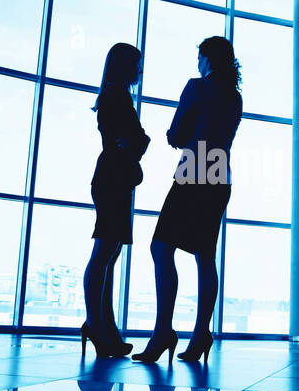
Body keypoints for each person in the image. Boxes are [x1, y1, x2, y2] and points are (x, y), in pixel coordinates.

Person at [133, 36, 242, 364]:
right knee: (205, 256)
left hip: (195, 168)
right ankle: (201, 333)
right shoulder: (235, 96)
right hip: (220, 172)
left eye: (199, 58)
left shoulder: (197, 86)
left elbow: (176, 134)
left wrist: (175, 137)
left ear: (208, 59)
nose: (197, 64)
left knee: (161, 247)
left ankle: (163, 331)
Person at [82, 43, 149, 358]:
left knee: (108, 254)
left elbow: (135, 139)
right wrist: (137, 141)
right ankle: (97, 326)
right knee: (105, 253)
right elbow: (135, 139)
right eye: (136, 64)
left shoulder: (115, 95)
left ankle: (102, 327)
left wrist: (136, 140)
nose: (140, 70)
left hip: (113, 178)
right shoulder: (117, 96)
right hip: (113, 179)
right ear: (124, 66)